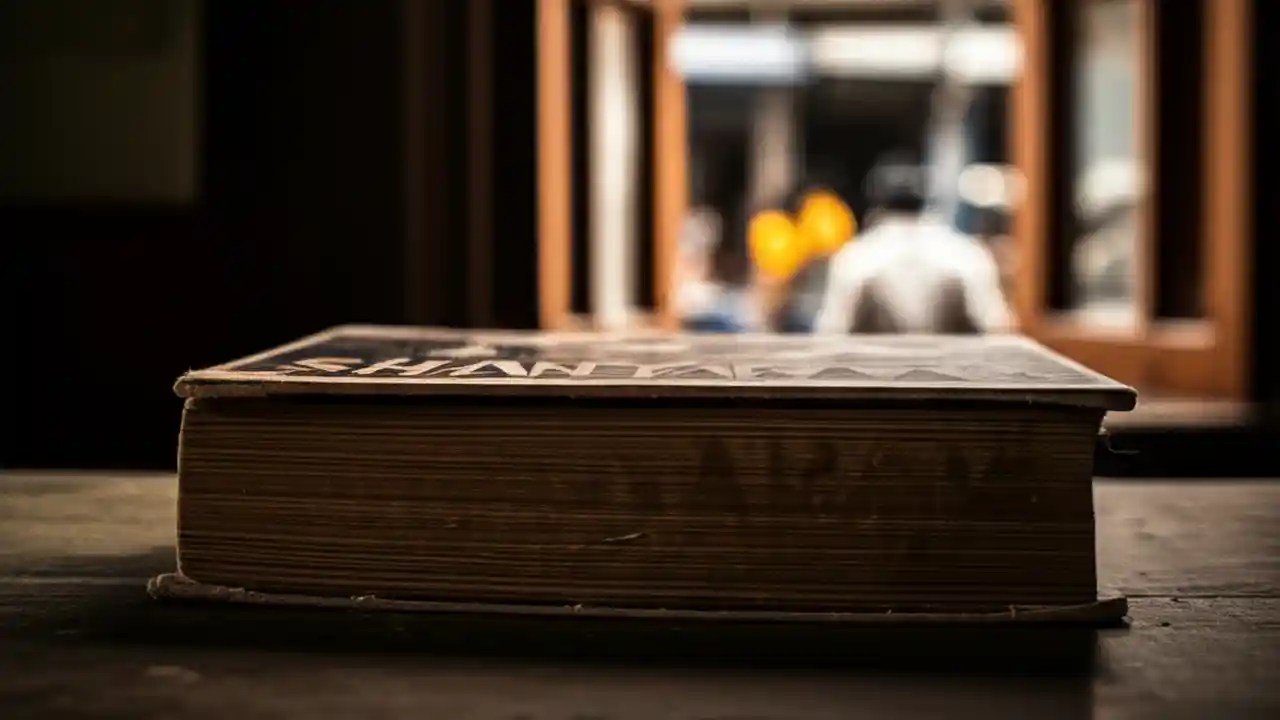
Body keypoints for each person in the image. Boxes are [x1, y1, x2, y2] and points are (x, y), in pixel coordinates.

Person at [813, 152, 1012, 335]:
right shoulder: (964, 252)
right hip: (954, 371)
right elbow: (998, 326)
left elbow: (831, 331)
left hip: (879, 370)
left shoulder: (857, 256)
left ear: (876, 200)